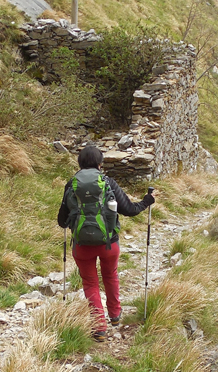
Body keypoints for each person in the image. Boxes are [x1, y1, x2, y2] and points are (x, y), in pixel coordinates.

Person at [58, 144, 155, 341]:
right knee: (110, 275)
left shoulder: (71, 184)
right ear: (100, 164)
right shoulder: (108, 182)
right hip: (109, 243)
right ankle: (115, 315)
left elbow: (61, 220)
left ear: (79, 163)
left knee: (90, 282)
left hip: (82, 246)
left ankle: (99, 327)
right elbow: (129, 209)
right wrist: (147, 201)